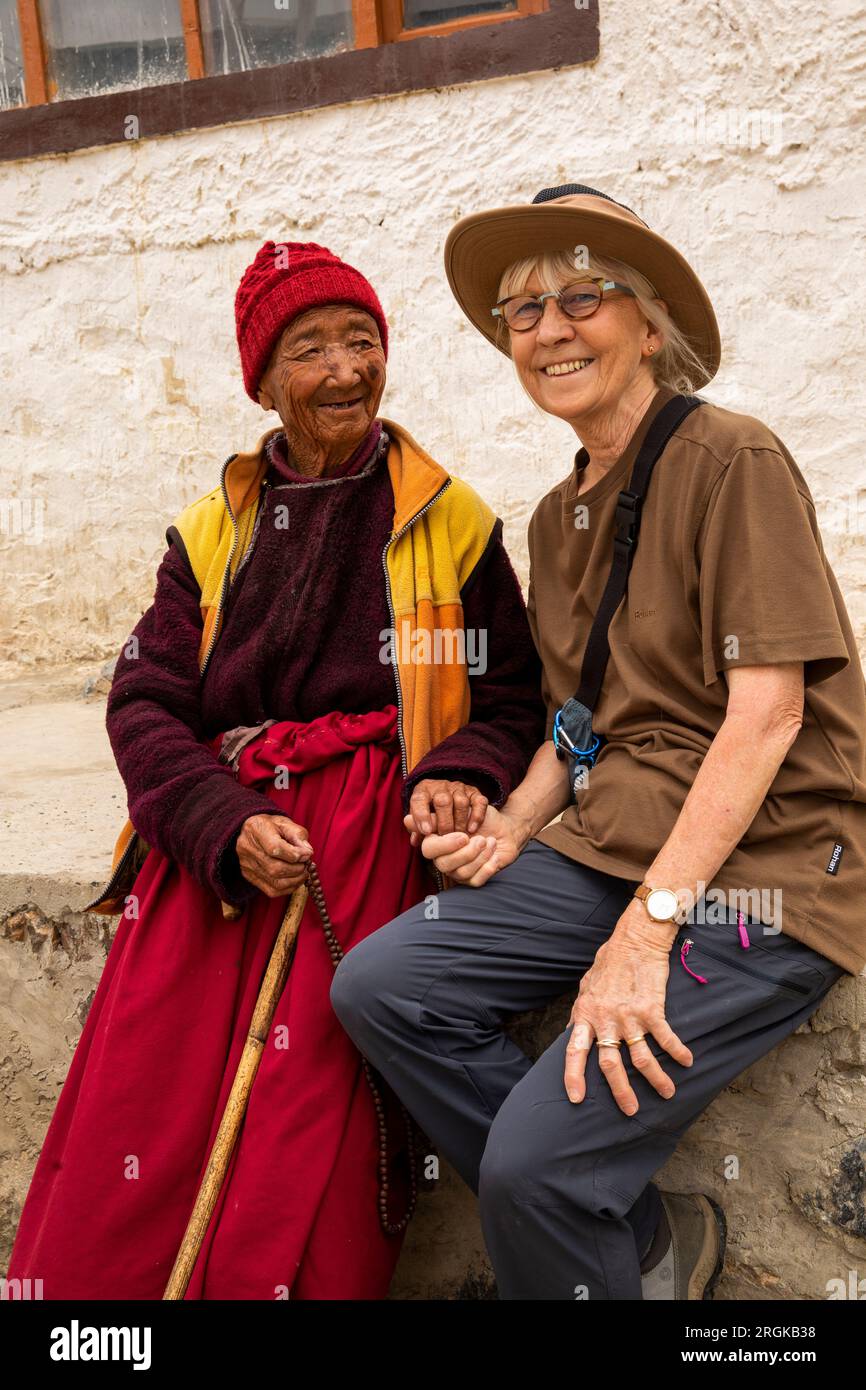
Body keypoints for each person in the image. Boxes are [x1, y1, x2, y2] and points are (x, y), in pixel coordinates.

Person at [330, 184, 866, 1301]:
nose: (547, 327)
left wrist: (646, 931)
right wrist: (511, 827)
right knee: (381, 982)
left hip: (763, 867)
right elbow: (579, 723)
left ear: (651, 323)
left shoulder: (733, 458)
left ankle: (565, 1204)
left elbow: (765, 715)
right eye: (521, 311)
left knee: (530, 1166)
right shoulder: (552, 514)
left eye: (582, 294)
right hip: (611, 835)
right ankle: (629, 1241)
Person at [6, 240, 545, 1300]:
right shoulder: (211, 534)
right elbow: (145, 702)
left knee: (311, 1112)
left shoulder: (449, 519)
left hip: (365, 838)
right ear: (262, 379)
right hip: (224, 846)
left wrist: (458, 769)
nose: (346, 369)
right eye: (311, 348)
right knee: (145, 1100)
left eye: (362, 341)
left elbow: (508, 698)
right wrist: (215, 821)